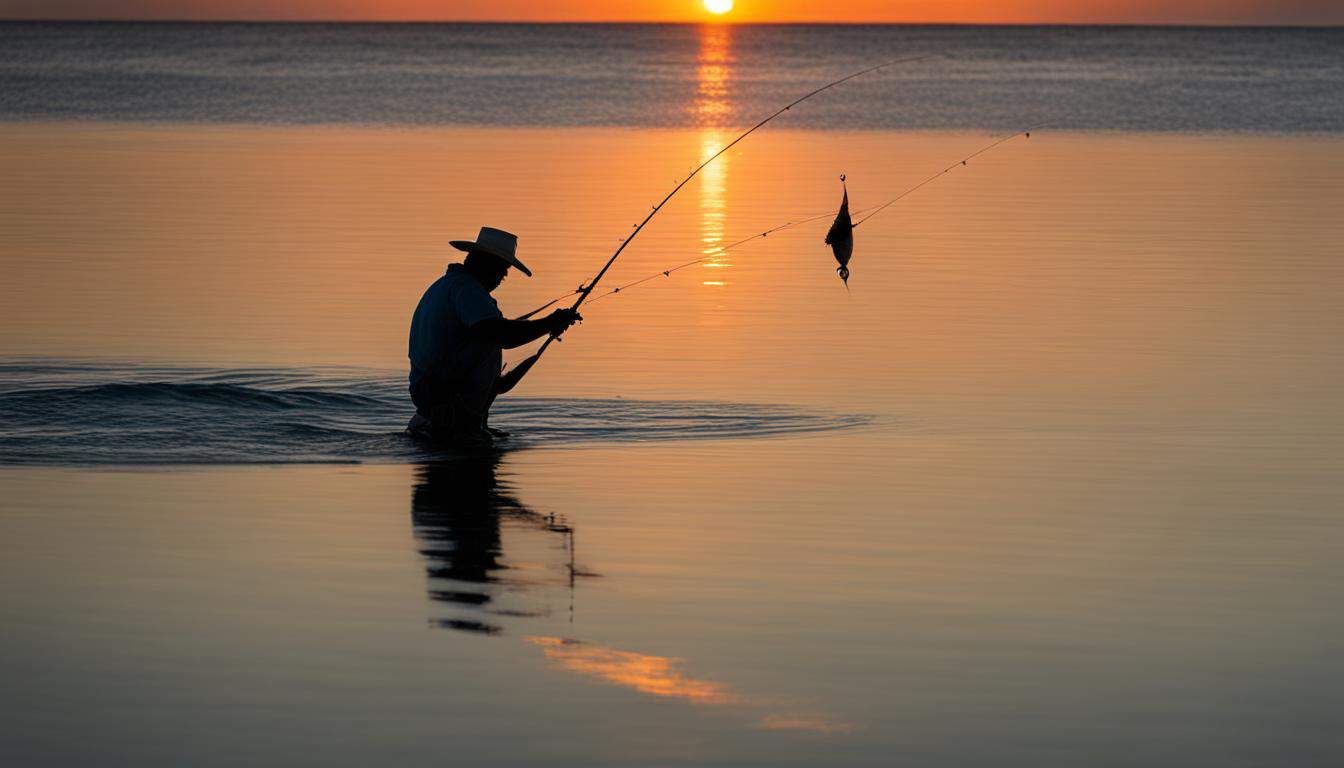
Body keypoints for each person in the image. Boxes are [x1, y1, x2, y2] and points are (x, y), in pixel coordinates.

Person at [407, 227, 579, 443]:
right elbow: (499, 335)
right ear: (491, 267)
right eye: (504, 271)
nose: (502, 279)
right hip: (444, 401)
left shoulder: (446, 286)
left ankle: (470, 424)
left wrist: (548, 325)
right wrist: (550, 323)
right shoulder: (467, 291)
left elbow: (493, 332)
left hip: (430, 397)